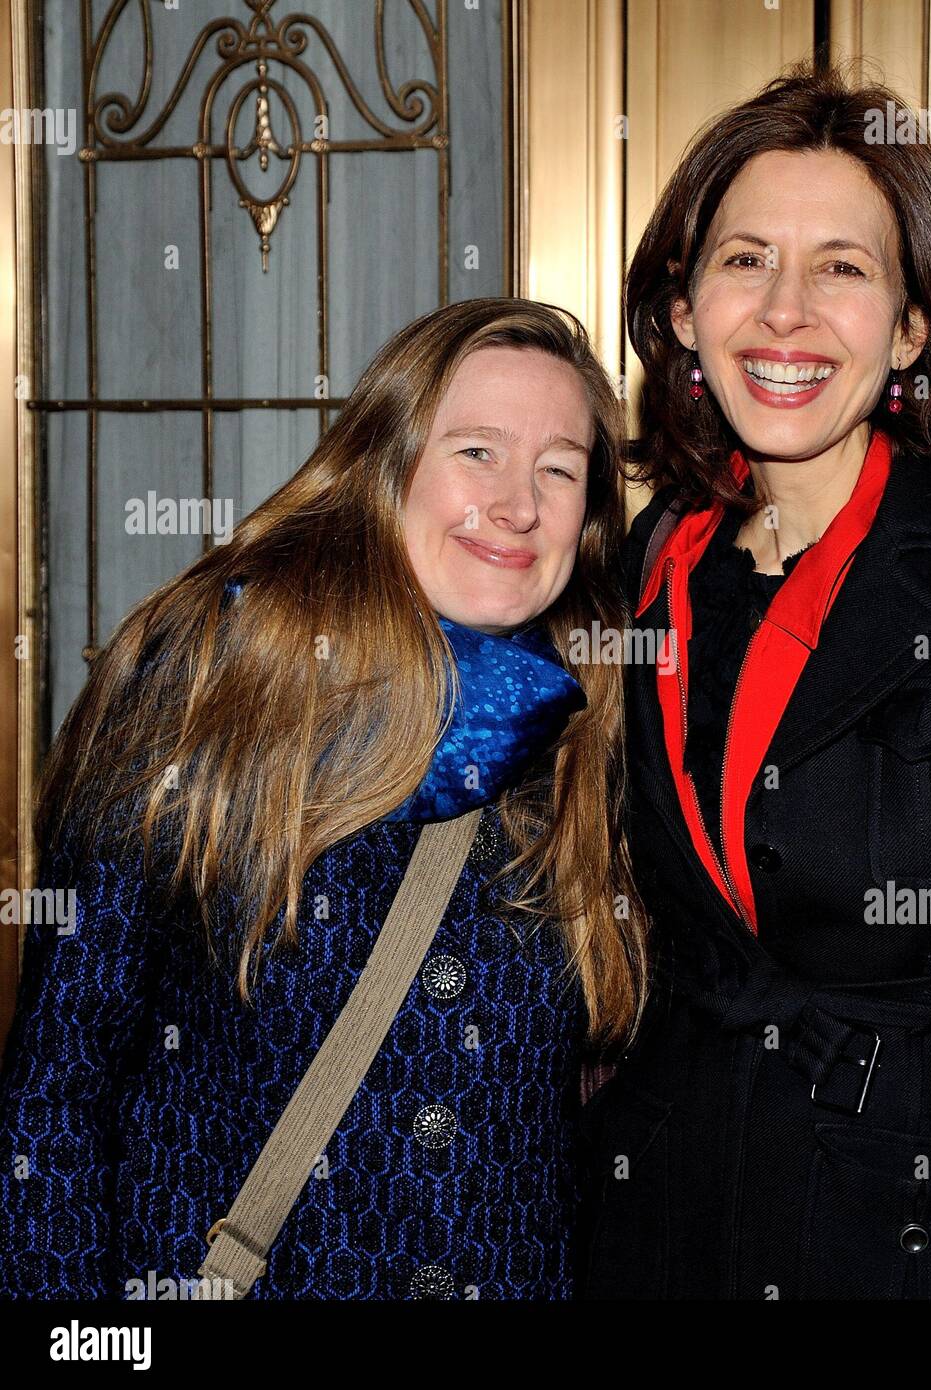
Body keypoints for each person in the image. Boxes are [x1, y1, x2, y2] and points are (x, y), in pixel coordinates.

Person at [575, 61, 931, 1301]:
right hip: (667, 1223)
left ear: (911, 328)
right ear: (681, 310)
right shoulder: (651, 567)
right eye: (744, 260)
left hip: (913, 1242)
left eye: (841, 267)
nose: (784, 312)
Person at [0, 298, 647, 1300]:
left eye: (559, 469)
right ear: (382, 466)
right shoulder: (212, 679)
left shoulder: (589, 725)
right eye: (476, 452)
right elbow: (57, 1093)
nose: (519, 503)